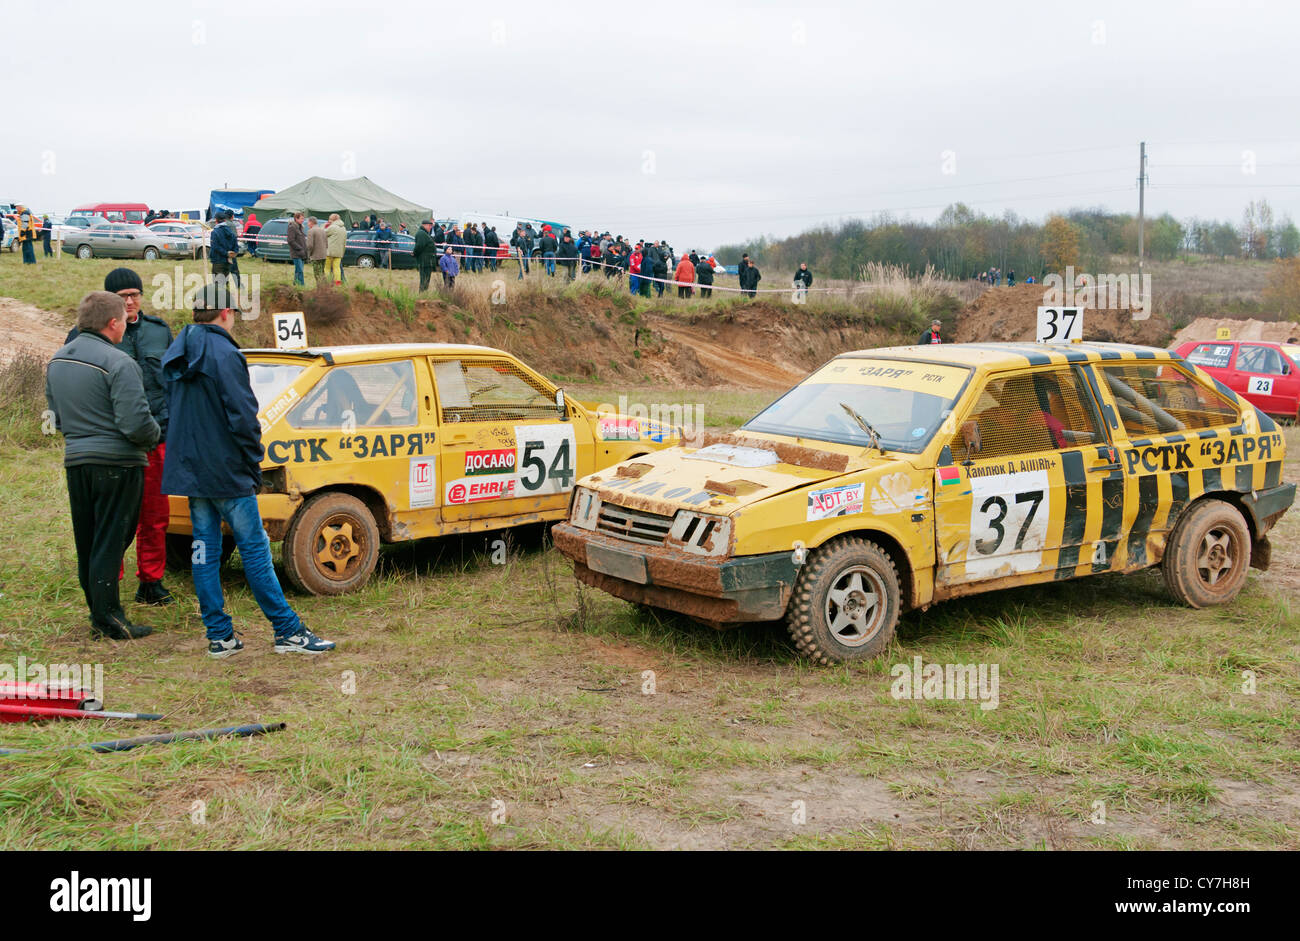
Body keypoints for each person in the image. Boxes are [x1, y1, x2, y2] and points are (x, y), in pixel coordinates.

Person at [161, 283, 335, 658]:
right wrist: (253, 458)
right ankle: (288, 631)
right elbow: (242, 415)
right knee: (254, 551)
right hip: (226, 471)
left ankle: (219, 636)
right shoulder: (225, 353)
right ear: (226, 313)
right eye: (235, 313)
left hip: (193, 471)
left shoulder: (179, 348)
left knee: (204, 551)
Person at [45, 292, 160, 640]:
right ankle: (111, 619)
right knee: (111, 540)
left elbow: (56, 416)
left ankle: (98, 614)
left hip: (77, 461)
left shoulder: (58, 360)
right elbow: (136, 423)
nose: (126, 325)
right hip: (118, 464)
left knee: (89, 540)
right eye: (123, 320)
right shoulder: (119, 362)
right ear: (113, 323)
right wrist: (155, 435)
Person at [209, 211, 240, 288]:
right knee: (225, 281)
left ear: (216, 220)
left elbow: (215, 246)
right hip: (228, 260)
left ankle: (219, 298)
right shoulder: (231, 231)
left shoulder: (215, 232)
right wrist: (233, 253)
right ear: (225, 220)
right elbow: (236, 245)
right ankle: (226, 296)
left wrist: (226, 253)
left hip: (218, 260)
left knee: (217, 284)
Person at [414, 219, 438, 292]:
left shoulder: (424, 233)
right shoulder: (421, 233)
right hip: (424, 261)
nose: (430, 227)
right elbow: (419, 246)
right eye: (429, 225)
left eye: (431, 226)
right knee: (424, 279)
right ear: (424, 225)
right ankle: (422, 294)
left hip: (427, 260)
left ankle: (424, 293)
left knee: (426, 279)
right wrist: (415, 253)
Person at [286, 212, 308, 286]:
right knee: (300, 271)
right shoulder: (292, 227)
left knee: (298, 270)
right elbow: (290, 240)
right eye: (301, 218)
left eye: (303, 218)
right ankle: (302, 286)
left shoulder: (300, 227)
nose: (303, 220)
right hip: (296, 253)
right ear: (296, 218)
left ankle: (295, 284)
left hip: (302, 253)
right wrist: (300, 248)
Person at [324, 213, 346, 286]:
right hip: (339, 252)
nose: (328, 221)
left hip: (330, 252)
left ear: (333, 220)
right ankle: (338, 283)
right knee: (337, 268)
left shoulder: (332, 227)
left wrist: (325, 226)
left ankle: (327, 283)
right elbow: (344, 241)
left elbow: (323, 233)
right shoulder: (343, 228)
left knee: (327, 268)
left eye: (329, 219)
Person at [306, 216, 327, 288]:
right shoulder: (323, 230)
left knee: (317, 274)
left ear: (311, 222)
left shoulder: (310, 231)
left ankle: (320, 289)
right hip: (323, 255)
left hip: (316, 256)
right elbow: (326, 244)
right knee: (322, 273)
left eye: (308, 222)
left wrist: (309, 254)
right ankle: (326, 288)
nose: (307, 224)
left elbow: (309, 245)